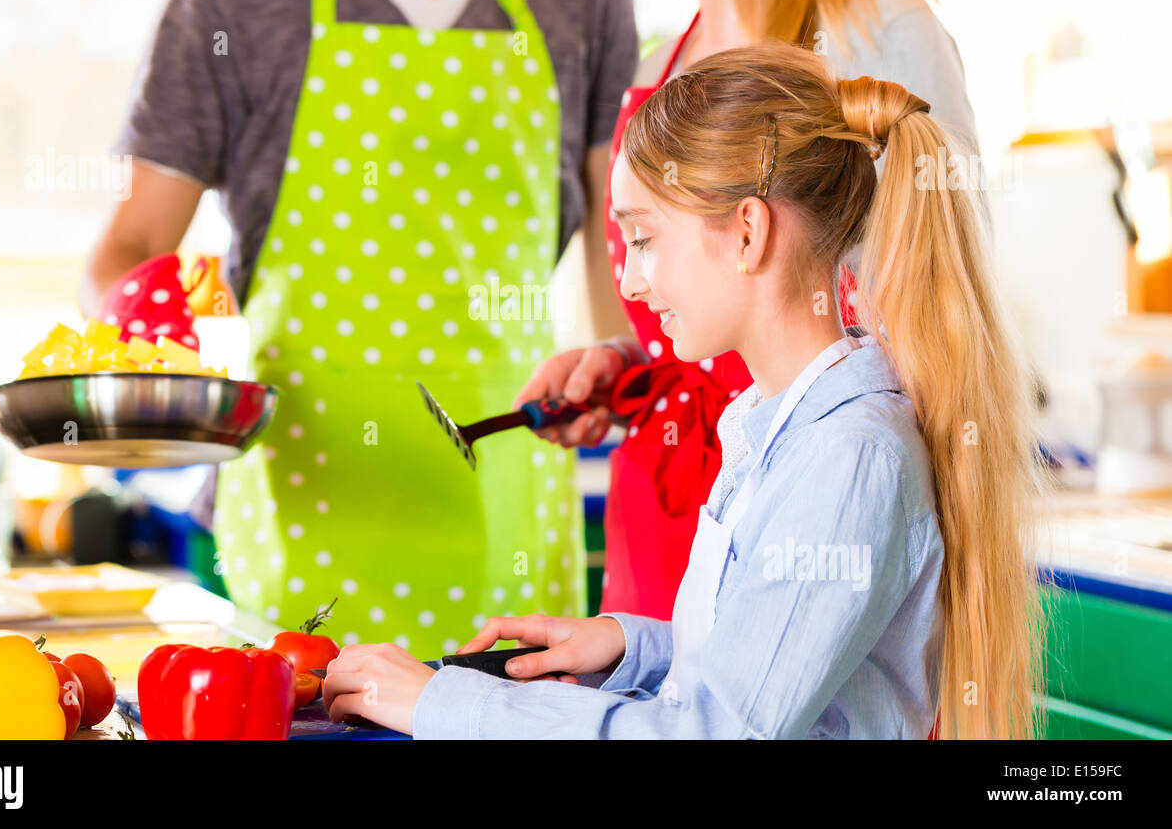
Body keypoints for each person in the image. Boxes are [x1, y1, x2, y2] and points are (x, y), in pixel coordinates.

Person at [320, 44, 1046, 740]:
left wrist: (443, 704)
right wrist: (629, 647)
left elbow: (716, 733)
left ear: (746, 233)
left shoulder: (849, 459)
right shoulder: (770, 426)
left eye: (643, 239)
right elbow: (776, 668)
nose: (631, 282)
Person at [79, 0, 640, 653]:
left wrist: (626, 371)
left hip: (511, 497)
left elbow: (625, 235)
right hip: (301, 521)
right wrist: (146, 358)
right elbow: (131, 246)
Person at [515, 0, 984, 623]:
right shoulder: (657, 68)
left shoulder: (880, 32)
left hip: (809, 521)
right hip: (666, 520)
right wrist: (634, 363)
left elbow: (941, 314)